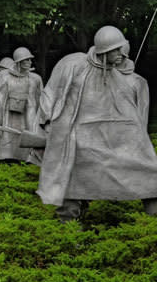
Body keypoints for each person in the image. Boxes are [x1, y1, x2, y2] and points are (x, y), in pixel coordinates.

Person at [37, 25, 157, 221]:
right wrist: (47, 121)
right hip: (79, 139)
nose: (122, 54)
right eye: (116, 50)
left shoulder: (121, 76)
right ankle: (68, 227)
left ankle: (151, 221)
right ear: (104, 50)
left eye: (121, 48)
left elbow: (129, 113)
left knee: (149, 171)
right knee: (72, 181)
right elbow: (51, 92)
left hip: (113, 139)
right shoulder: (73, 65)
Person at [0, 47, 44, 163]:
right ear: (19, 62)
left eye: (30, 60)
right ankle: (8, 161)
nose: (30, 62)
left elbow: (42, 102)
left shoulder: (36, 79)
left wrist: (43, 121)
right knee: (8, 144)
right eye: (27, 60)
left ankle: (29, 159)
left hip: (29, 117)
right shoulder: (4, 77)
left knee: (29, 141)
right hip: (8, 118)